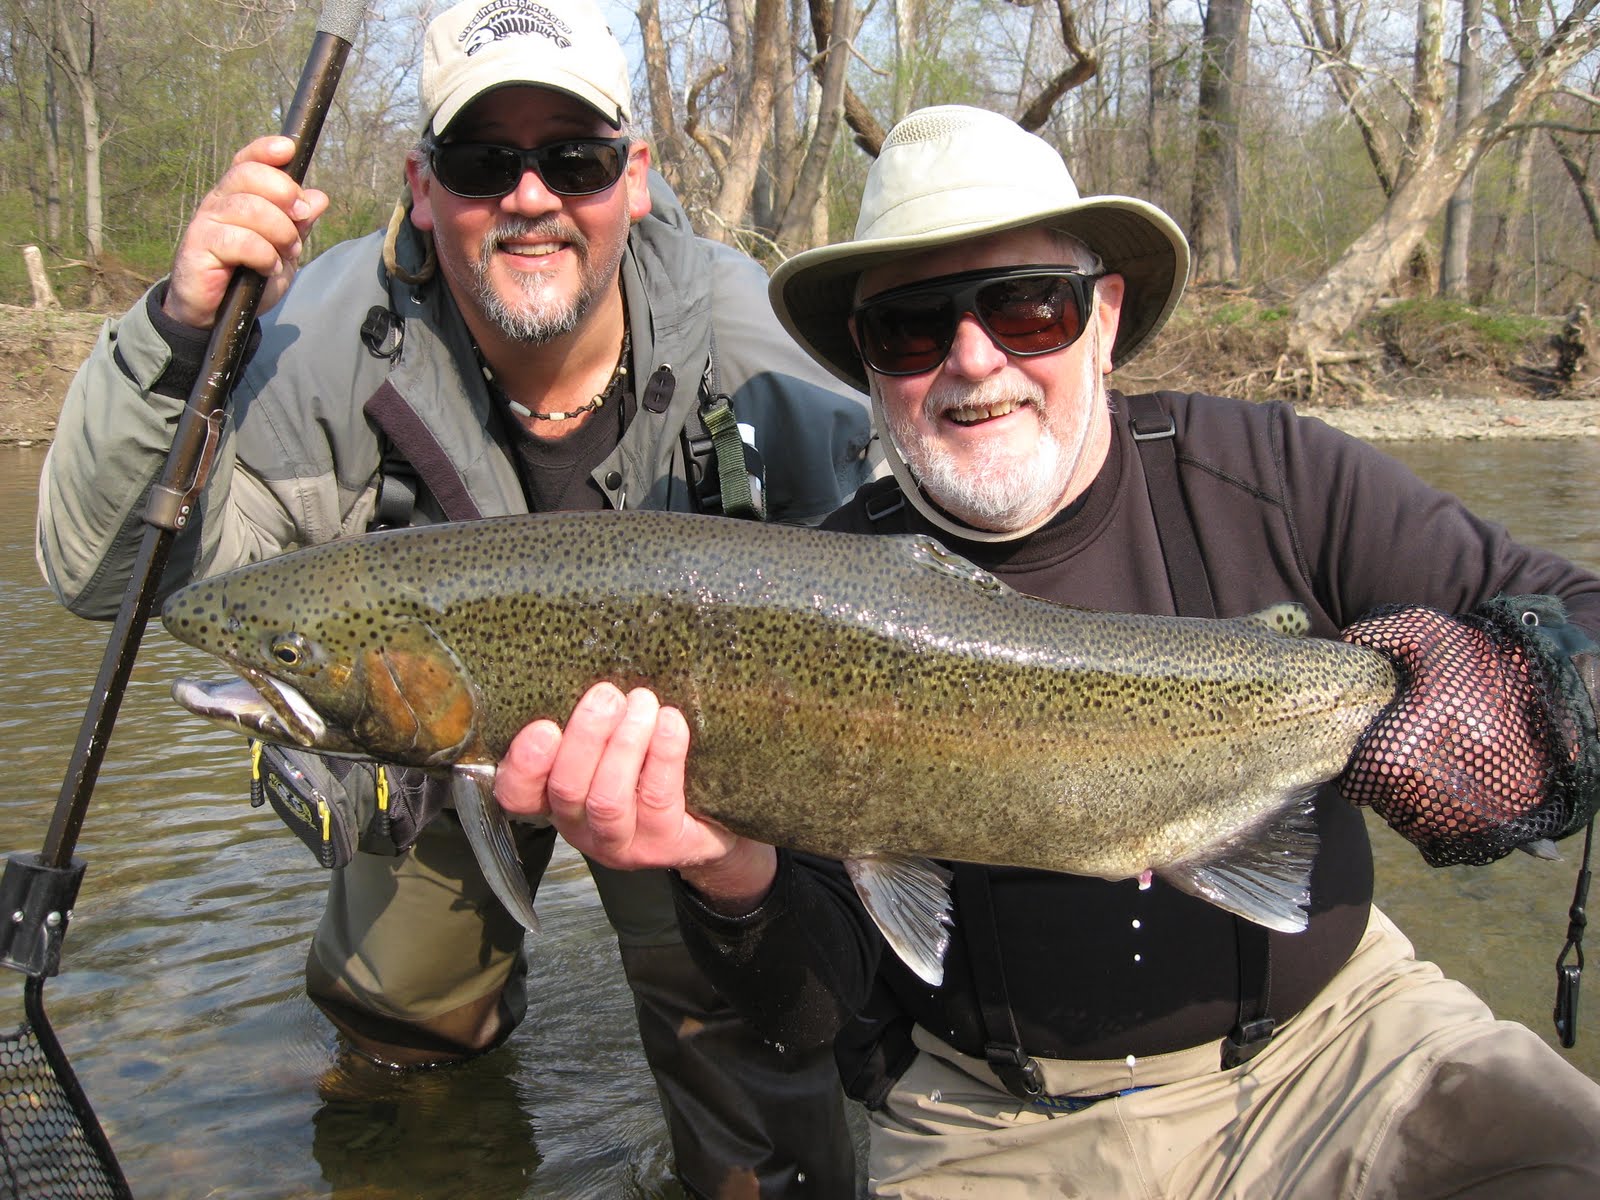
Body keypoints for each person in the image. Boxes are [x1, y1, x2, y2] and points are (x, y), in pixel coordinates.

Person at [494, 104, 1600, 1196]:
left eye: (1028, 308)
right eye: (911, 330)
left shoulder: (1270, 474)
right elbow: (806, 1023)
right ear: (870, 367)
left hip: (1351, 1050)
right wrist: (725, 875)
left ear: (1104, 317)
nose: (974, 363)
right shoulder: (802, 601)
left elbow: (1582, 615)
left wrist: (1526, 689)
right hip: (996, 1122)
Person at [35, 2, 875, 1194]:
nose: (529, 196)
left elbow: (916, 573)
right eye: (484, 163)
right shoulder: (305, 346)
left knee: (756, 1052)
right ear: (422, 188)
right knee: (399, 1009)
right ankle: (417, 1127)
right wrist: (175, 340)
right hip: (435, 748)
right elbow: (113, 580)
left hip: (693, 761)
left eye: (574, 159)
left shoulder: (760, 341)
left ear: (633, 179)